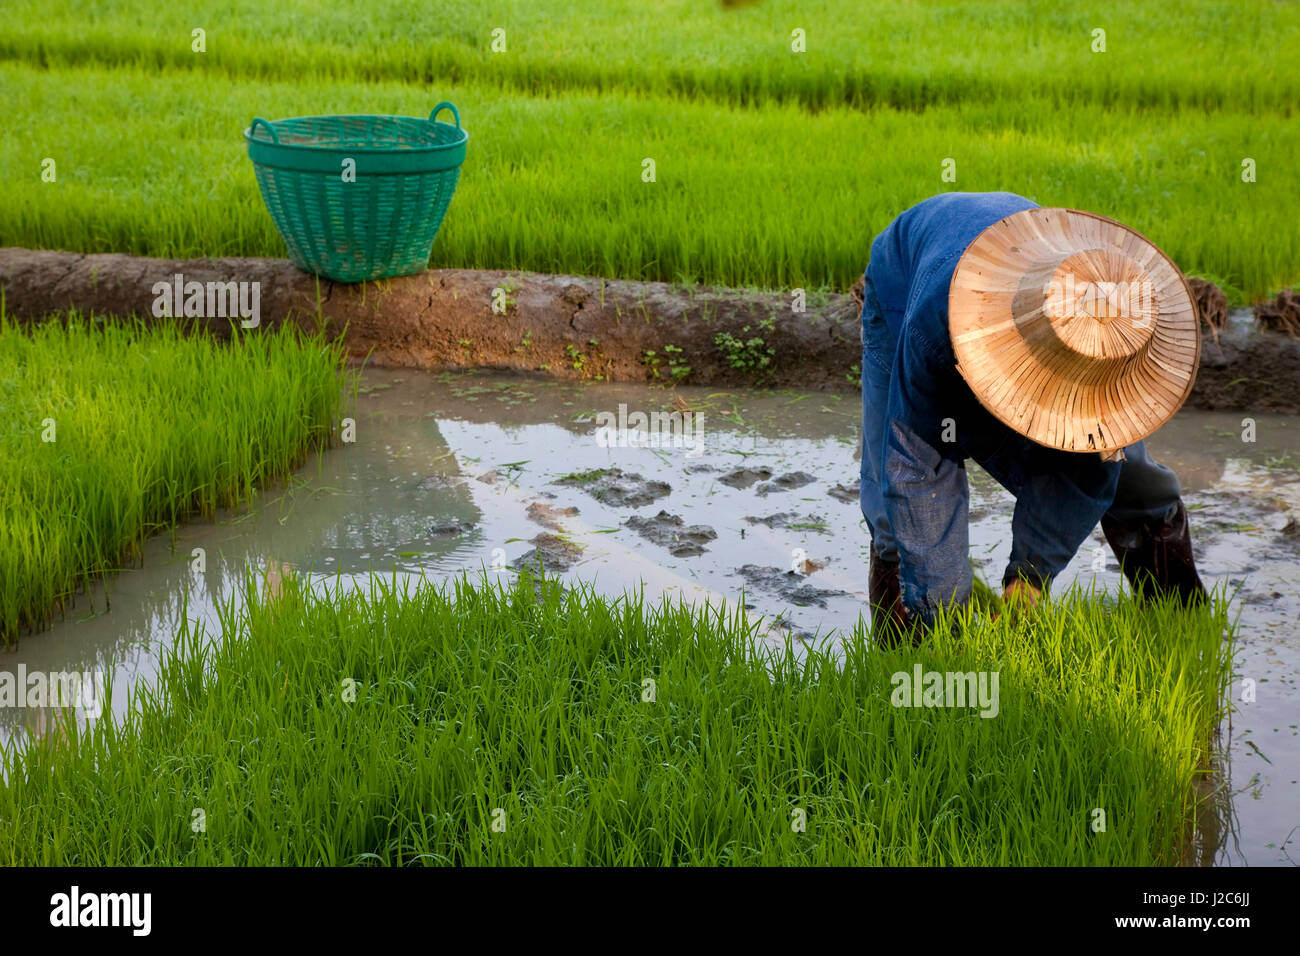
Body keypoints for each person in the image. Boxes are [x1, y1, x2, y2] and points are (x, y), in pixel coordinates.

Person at [858, 192, 1208, 643]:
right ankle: (912, 648)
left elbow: (1089, 468)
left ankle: (1181, 618)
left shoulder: (1116, 305)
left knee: (1130, 474)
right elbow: (919, 468)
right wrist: (946, 623)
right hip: (911, 286)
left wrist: (1029, 578)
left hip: (1041, 272)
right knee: (895, 512)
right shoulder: (934, 324)